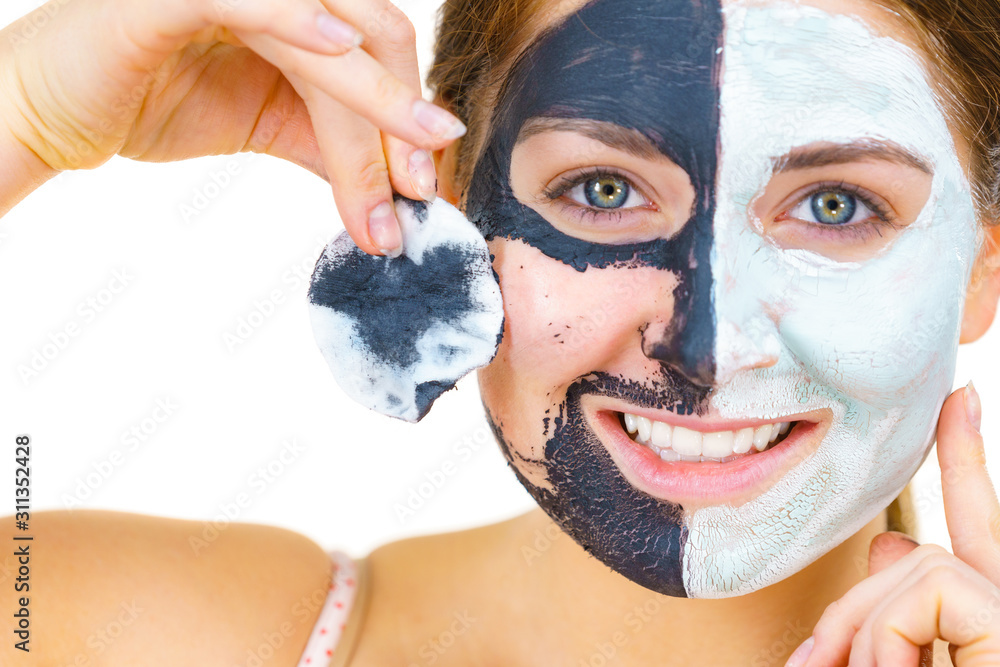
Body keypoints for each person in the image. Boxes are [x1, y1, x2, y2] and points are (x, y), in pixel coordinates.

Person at [2, 0, 1000, 665]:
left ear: (981, 268)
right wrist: (24, 114)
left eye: (833, 206)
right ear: (456, 221)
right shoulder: (171, 635)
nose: (704, 347)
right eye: (601, 190)